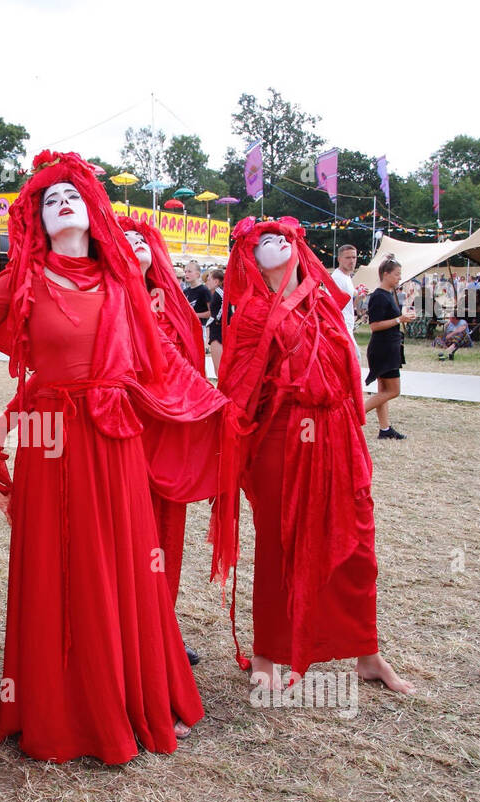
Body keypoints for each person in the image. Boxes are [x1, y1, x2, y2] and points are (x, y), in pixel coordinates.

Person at [0, 151, 223, 765]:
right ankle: (57, 707)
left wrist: (213, 405)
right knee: (53, 560)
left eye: (72, 195)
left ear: (93, 210)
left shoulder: (120, 281)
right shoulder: (22, 281)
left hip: (112, 438)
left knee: (119, 561)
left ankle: (129, 696)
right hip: (48, 436)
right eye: (48, 198)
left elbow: (161, 362)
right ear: (37, 218)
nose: (62, 203)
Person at [210, 216, 414, 695]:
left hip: (337, 435)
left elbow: (346, 373)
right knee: (280, 544)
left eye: (281, 234)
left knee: (357, 544)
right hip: (282, 439)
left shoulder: (325, 304)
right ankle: (267, 655)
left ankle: (368, 653)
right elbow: (238, 389)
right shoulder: (252, 314)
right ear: (249, 258)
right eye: (261, 238)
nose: (274, 239)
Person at [119, 214, 227, 666]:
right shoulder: (103, 298)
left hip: (169, 437)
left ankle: (162, 628)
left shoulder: (179, 307)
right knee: (125, 537)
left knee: (165, 536)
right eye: (123, 236)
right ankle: (127, 632)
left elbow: (190, 368)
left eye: (141, 234)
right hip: (123, 435)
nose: (134, 241)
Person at [364, 257, 412, 440]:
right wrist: (400, 319)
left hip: (388, 346)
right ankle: (353, 416)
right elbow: (374, 326)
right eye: (397, 274)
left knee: (383, 391)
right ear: (386, 274)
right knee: (393, 391)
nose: (399, 278)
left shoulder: (388, 294)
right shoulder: (378, 296)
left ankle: (385, 429)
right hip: (383, 348)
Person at [330, 243, 358, 342]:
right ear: (339, 259)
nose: (352, 261)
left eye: (354, 257)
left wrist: (360, 297)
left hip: (347, 325)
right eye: (348, 257)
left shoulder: (347, 277)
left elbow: (349, 305)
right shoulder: (337, 278)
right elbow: (331, 306)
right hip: (341, 327)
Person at [182, 260, 212, 330]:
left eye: (189, 271)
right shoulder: (185, 291)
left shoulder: (204, 290)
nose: (186, 274)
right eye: (185, 271)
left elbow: (211, 312)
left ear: (197, 274)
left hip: (200, 327)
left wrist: (194, 315)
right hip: (187, 326)